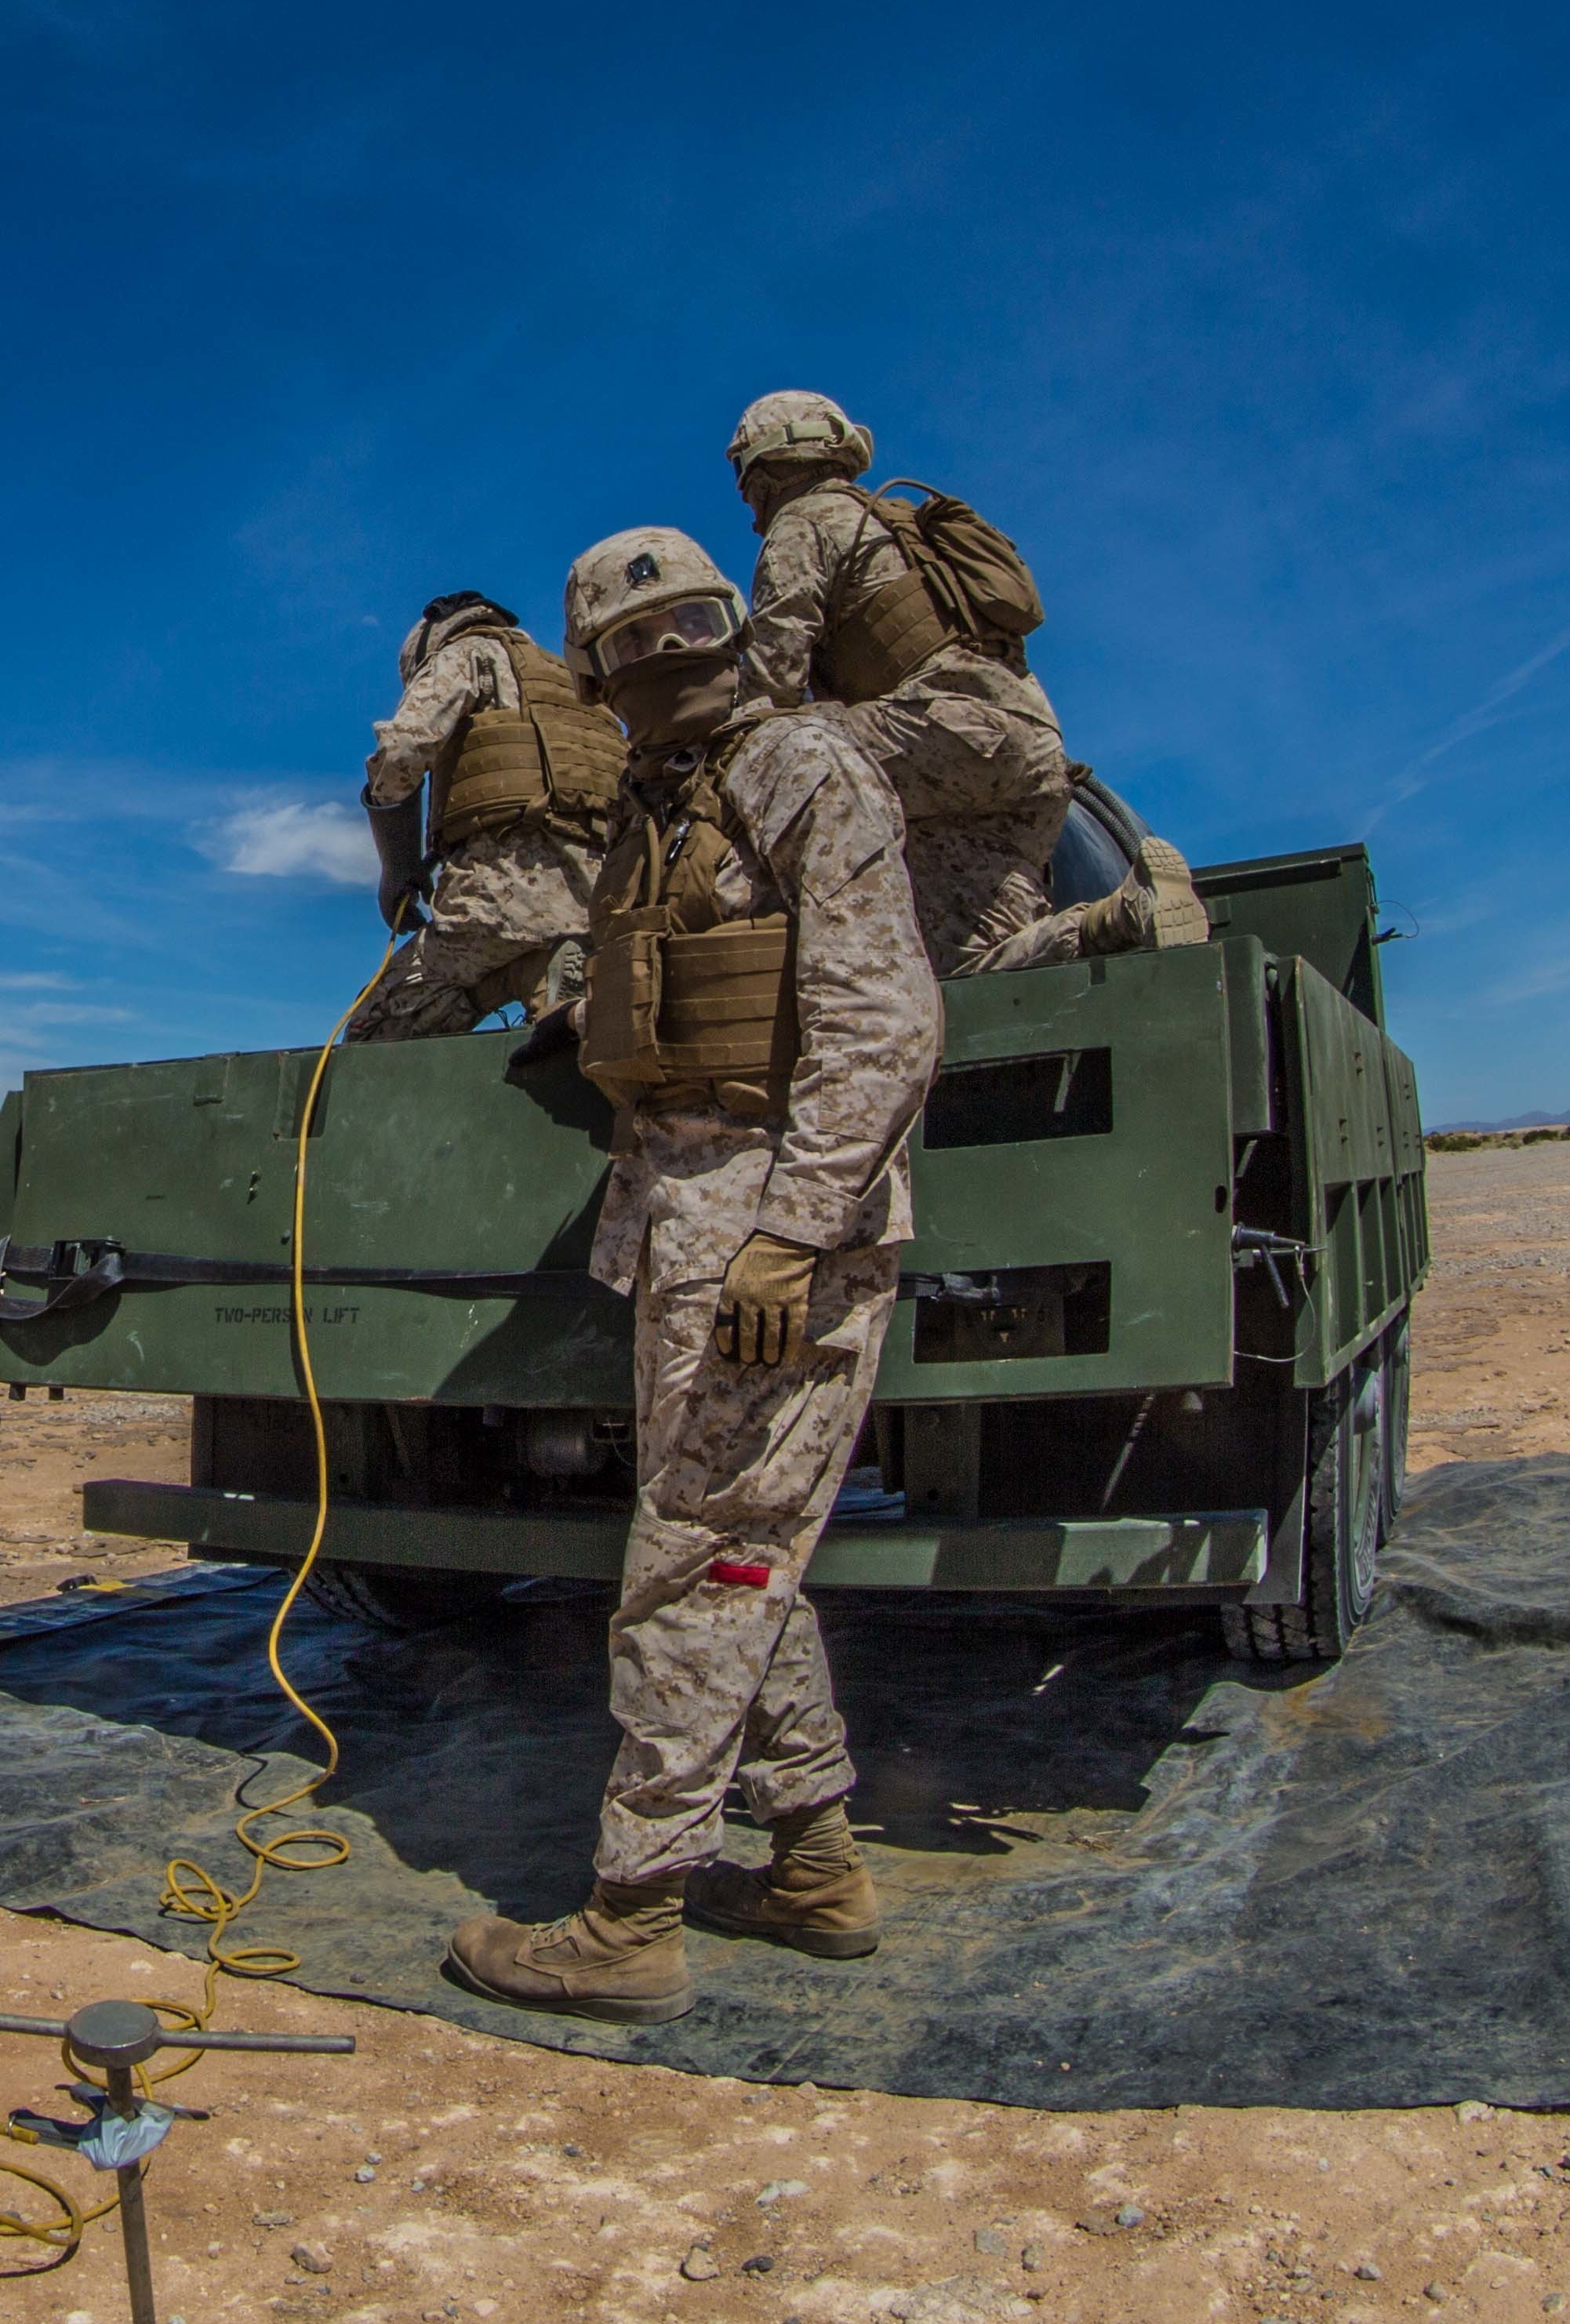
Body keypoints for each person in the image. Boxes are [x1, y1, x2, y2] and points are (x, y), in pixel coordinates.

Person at [450, 525, 939, 2024]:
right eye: (638, 648)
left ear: (723, 639)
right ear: (602, 673)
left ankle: (631, 1914)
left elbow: (887, 1017)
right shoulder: (665, 805)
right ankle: (811, 1864)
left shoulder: (803, 769)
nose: (662, 666)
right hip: (687, 1223)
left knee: (690, 1564)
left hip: (763, 1237)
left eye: (681, 638)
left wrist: (795, 1227)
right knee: (735, 1552)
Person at [727, 391, 1153, 972]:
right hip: (1029, 761)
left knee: (775, 749)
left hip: (945, 731)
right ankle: (1118, 919)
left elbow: (770, 683)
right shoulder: (894, 524)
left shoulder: (805, 520)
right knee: (963, 964)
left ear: (766, 466)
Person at [348, 590, 620, 1042]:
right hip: (600, 904)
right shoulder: (578, 686)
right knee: (555, 1018)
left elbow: (400, 753)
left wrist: (397, 867)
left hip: (496, 900)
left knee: (370, 1032)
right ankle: (539, 981)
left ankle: (515, 978)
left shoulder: (465, 654)